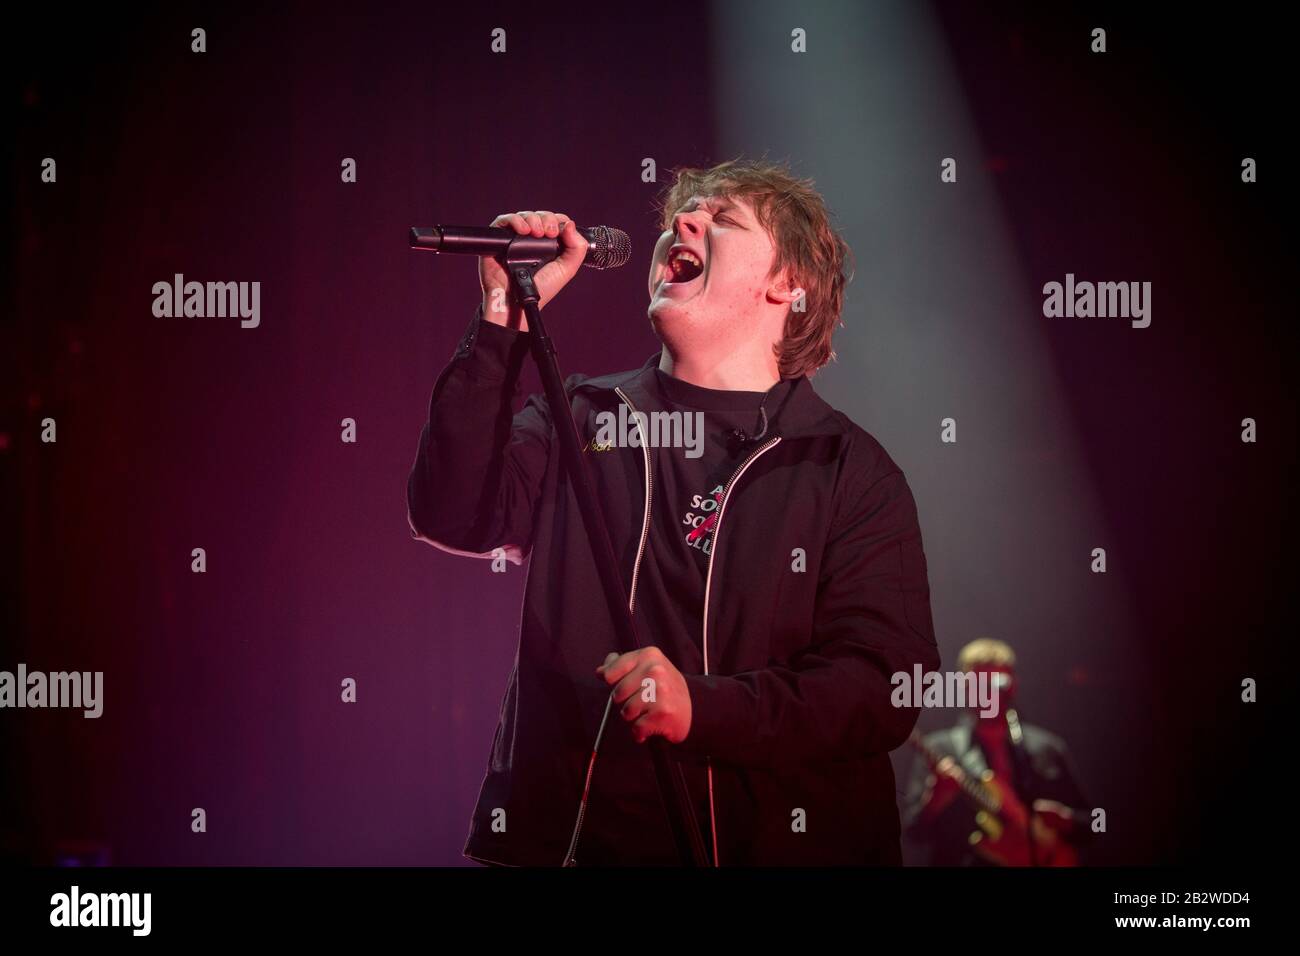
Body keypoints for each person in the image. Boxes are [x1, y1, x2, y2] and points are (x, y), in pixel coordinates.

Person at [407, 158, 940, 866]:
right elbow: (451, 512)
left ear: (789, 284)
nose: (681, 225)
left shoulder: (844, 469)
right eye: (680, 219)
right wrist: (503, 312)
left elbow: (880, 689)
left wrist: (702, 708)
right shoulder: (581, 418)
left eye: (721, 219)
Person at [902, 638, 1091, 866]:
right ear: (963, 687)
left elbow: (1094, 823)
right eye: (979, 684)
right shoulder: (941, 748)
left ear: (1013, 685)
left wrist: (1067, 820)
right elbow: (913, 833)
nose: (989, 693)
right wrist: (936, 799)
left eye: (997, 683)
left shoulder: (1047, 747)